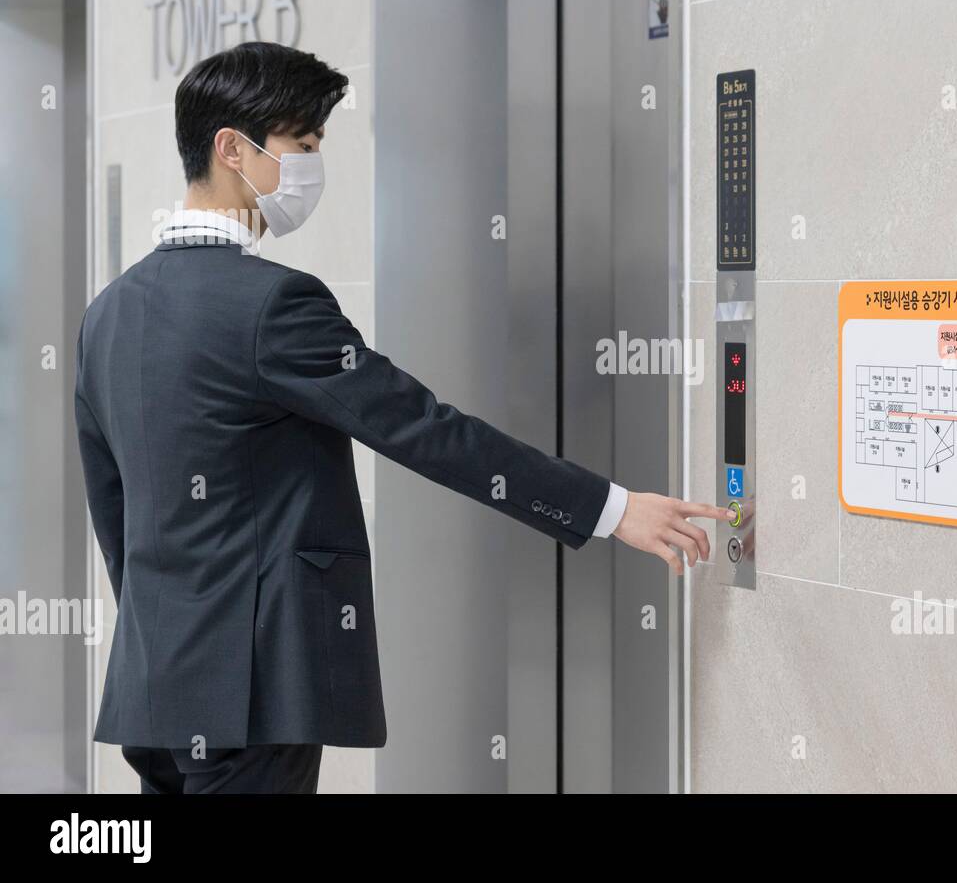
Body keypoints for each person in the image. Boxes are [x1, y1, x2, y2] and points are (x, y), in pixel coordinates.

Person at [74, 41, 730, 794]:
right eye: (304, 144)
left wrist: (168, 637)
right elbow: (425, 430)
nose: (314, 165)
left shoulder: (106, 316)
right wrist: (610, 509)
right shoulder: (271, 304)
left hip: (156, 683)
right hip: (257, 687)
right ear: (231, 147)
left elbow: (114, 509)